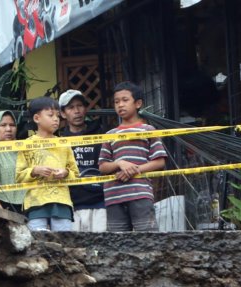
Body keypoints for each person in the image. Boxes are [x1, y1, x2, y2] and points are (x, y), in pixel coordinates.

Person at [98, 81, 168, 232]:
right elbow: (103, 167)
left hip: (140, 193)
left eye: (125, 100)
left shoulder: (148, 130)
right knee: (117, 241)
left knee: (148, 237)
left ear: (138, 103)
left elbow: (160, 161)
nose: (120, 105)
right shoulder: (110, 134)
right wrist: (119, 163)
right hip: (114, 196)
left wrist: (133, 170)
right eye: (116, 102)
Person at [15, 96, 79, 232]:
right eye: (50, 115)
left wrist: (66, 173)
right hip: (35, 202)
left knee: (64, 240)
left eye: (57, 115)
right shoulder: (27, 144)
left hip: (61, 201)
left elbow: (75, 174)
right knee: (38, 241)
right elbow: (19, 176)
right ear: (37, 118)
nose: (56, 119)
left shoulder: (63, 143)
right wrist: (34, 171)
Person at [58, 89, 106, 232]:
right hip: (71, 204)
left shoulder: (100, 135)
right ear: (63, 113)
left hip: (100, 201)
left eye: (80, 106)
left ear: (85, 109)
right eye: (71, 107)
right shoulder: (59, 141)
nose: (77, 111)